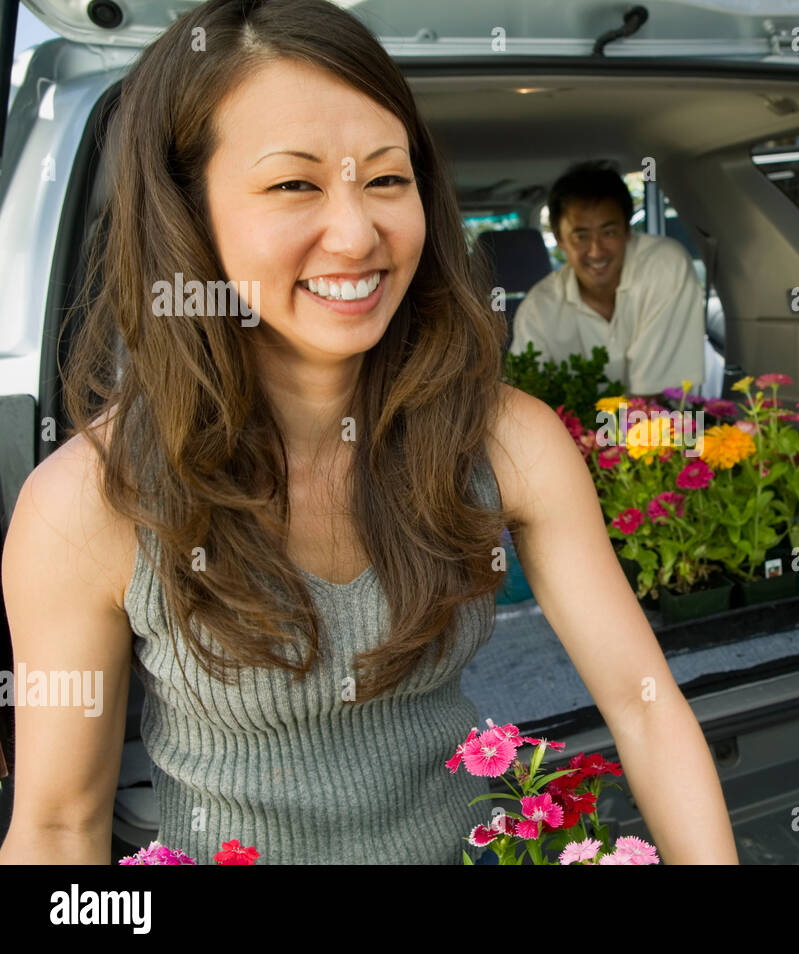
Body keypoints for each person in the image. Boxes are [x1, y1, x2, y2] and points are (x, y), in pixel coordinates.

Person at [0, 0, 738, 866]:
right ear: (188, 215)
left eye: (387, 179)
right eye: (294, 184)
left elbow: (646, 704)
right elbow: (57, 830)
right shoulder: (87, 503)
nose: (357, 233)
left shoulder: (509, 437)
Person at [509, 161, 707, 399]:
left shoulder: (664, 267)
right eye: (580, 236)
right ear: (560, 239)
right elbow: (523, 402)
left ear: (627, 230)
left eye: (609, 232)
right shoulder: (538, 310)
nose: (596, 251)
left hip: (661, 427)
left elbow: (660, 398)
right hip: (568, 434)